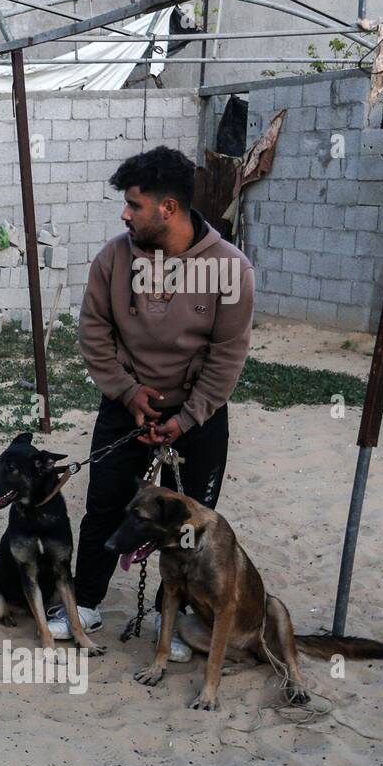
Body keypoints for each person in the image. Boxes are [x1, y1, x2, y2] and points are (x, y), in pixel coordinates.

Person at [62, 145, 254, 660]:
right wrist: (128, 393)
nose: (125, 214)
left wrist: (186, 417)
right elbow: (94, 332)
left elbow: (227, 354)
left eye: (134, 204)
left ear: (168, 208)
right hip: (126, 404)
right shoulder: (114, 257)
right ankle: (85, 602)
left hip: (199, 414)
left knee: (190, 520)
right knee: (104, 503)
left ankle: (187, 617)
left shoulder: (231, 270)